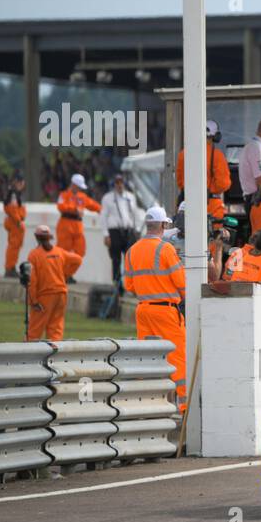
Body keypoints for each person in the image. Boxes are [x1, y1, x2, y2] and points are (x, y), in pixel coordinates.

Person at [123, 206, 188, 411]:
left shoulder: (132, 251)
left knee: (149, 359)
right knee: (177, 357)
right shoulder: (166, 249)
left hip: (143, 310)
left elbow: (129, 286)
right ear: (162, 225)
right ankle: (184, 408)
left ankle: (150, 404)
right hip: (167, 311)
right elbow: (182, 283)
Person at [25, 224, 82, 342]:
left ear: (36, 237)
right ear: (49, 237)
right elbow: (78, 260)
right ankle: (55, 357)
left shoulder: (34, 255)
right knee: (55, 330)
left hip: (44, 296)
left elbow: (32, 280)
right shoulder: (59, 252)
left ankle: (28, 357)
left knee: (34, 331)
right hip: (61, 295)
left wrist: (33, 301)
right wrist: (66, 274)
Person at [176, 119, 232, 220]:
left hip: (188, 205)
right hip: (211, 206)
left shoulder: (183, 154)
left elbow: (180, 181)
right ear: (215, 136)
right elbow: (223, 184)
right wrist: (210, 190)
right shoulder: (217, 155)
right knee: (216, 234)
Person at [56, 173, 101, 277]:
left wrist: (103, 210)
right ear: (74, 185)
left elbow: (93, 205)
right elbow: (61, 207)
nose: (80, 189)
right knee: (63, 251)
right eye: (79, 186)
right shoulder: (64, 195)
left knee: (80, 251)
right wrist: (74, 210)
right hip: (65, 224)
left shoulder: (82, 197)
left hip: (78, 226)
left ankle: (67, 274)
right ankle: (60, 274)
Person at [100, 174, 141, 286]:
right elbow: (103, 217)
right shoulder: (107, 198)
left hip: (129, 230)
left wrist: (137, 229)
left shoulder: (130, 197)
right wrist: (106, 234)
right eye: (117, 183)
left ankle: (133, 284)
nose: (119, 185)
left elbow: (135, 214)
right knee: (116, 259)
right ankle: (117, 285)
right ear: (114, 184)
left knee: (131, 258)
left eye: (121, 182)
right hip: (115, 231)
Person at [3, 173, 27, 277]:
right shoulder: (13, 194)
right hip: (15, 223)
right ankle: (9, 268)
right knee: (14, 246)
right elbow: (12, 209)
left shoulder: (14, 193)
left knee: (15, 246)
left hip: (14, 222)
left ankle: (11, 267)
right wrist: (18, 221)